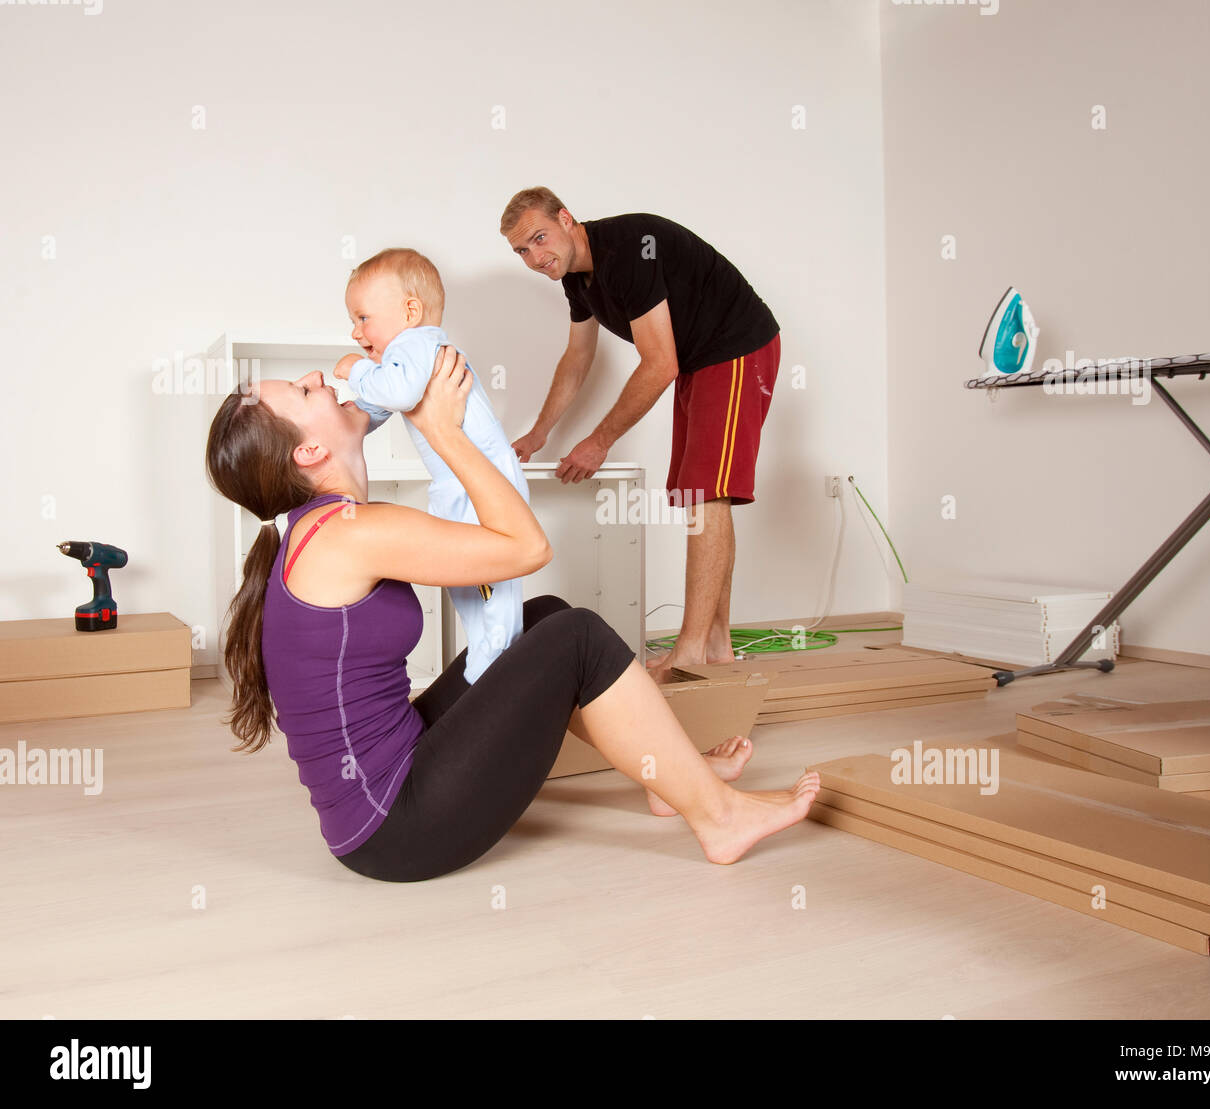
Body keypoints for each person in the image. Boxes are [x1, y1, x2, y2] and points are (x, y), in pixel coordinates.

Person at [204, 344, 819, 882]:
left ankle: (668, 779)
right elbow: (526, 548)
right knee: (576, 638)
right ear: (309, 451)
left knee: (542, 617)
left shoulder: (322, 531)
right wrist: (446, 431)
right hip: (396, 829)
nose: (320, 376)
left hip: (385, 796)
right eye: (307, 390)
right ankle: (719, 816)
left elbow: (498, 555)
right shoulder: (347, 532)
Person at [500, 187, 781, 680]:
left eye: (539, 239)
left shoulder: (630, 248)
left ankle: (691, 650)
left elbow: (659, 364)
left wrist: (599, 440)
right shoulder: (575, 278)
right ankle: (715, 645)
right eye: (522, 251)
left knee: (708, 495)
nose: (534, 258)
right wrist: (539, 432)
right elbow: (578, 357)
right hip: (701, 360)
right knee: (703, 492)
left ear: (567, 219)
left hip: (736, 346)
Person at [332, 247, 526, 685]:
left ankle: (501, 658)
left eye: (363, 318)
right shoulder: (405, 355)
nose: (355, 332)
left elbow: (398, 394)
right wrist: (352, 415)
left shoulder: (416, 342)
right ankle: (484, 651)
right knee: (462, 574)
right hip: (456, 481)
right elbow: (385, 404)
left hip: (483, 478)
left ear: (410, 310)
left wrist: (358, 371)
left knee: (491, 578)